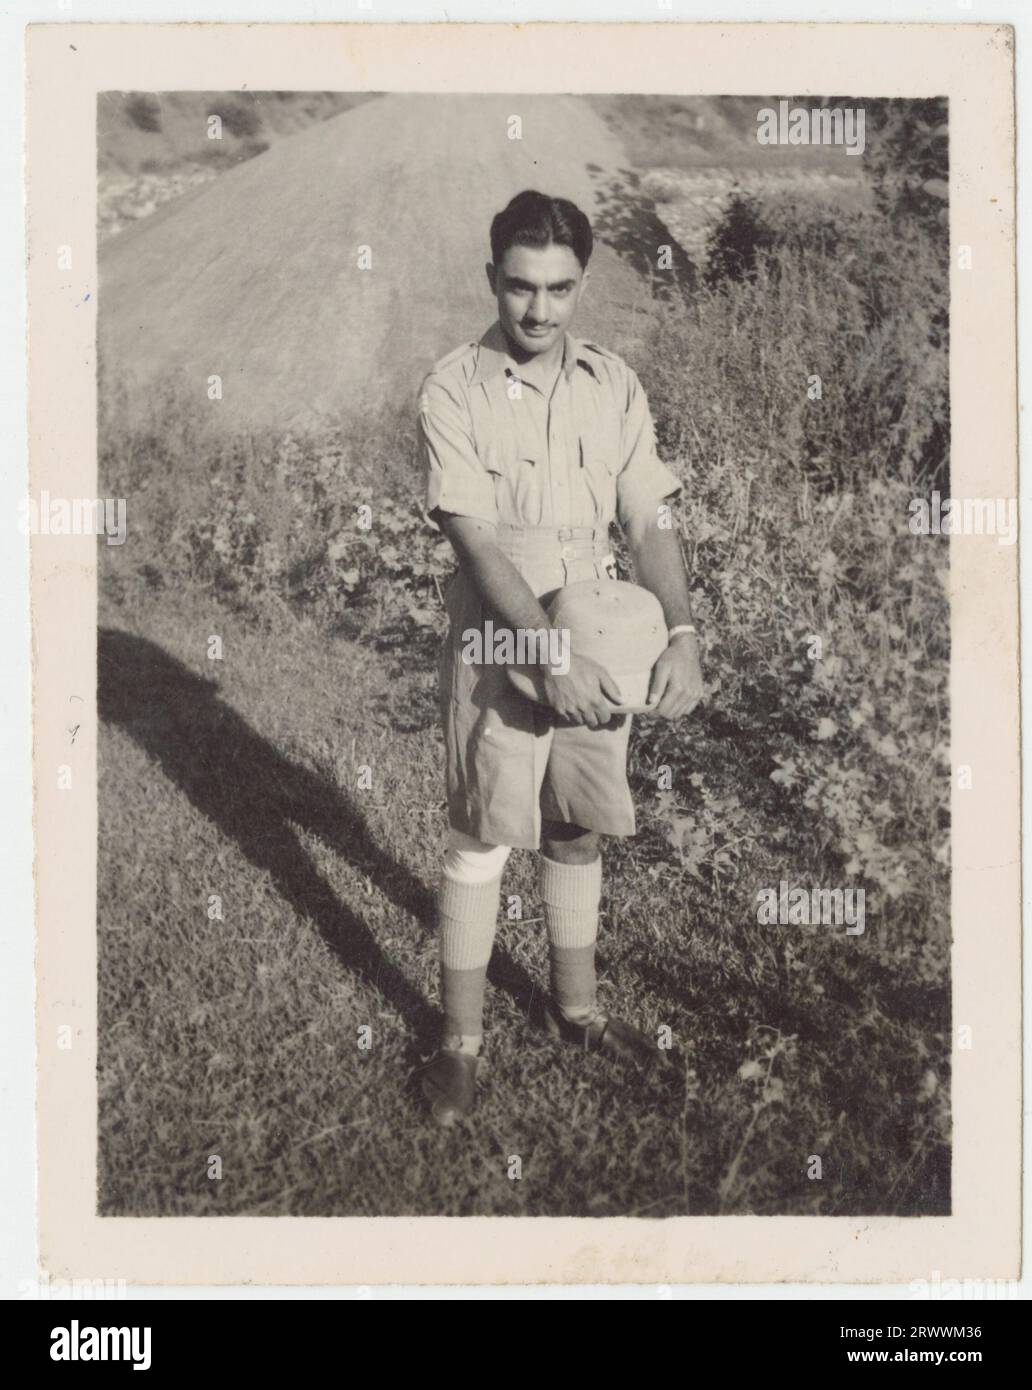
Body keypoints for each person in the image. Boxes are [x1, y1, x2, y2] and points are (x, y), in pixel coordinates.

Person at [415, 189, 704, 1126]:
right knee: (485, 832)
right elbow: (476, 543)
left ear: (582, 283)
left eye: (560, 289)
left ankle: (575, 1010)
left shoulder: (614, 384)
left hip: (602, 631)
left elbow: (648, 517)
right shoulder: (452, 387)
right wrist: (547, 657)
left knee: (576, 824)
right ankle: (458, 1045)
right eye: (520, 287)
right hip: (501, 635)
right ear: (491, 278)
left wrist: (682, 634)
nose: (539, 310)